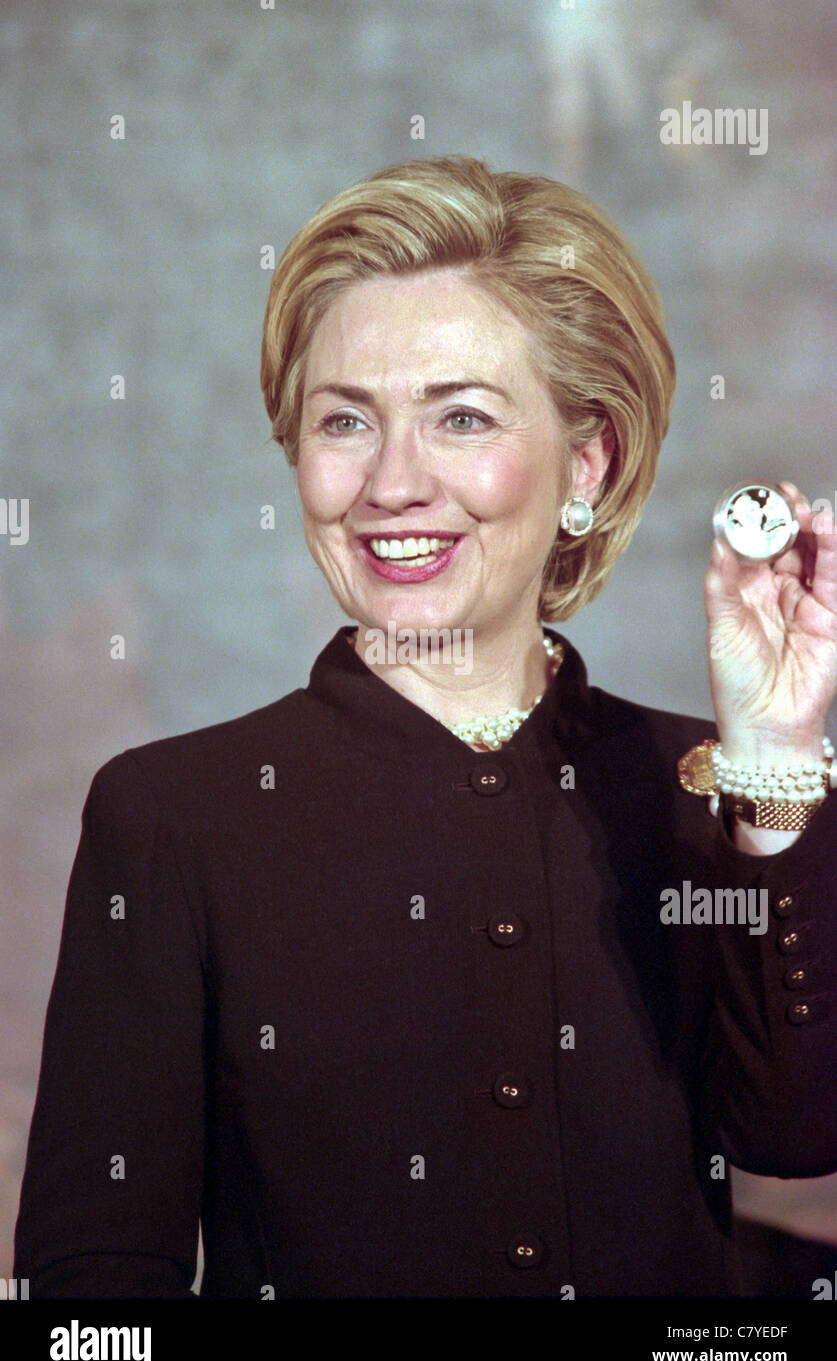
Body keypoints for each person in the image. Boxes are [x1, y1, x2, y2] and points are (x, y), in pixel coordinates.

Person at [14, 155, 837, 1299]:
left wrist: (780, 757)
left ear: (585, 462)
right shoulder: (169, 816)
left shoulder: (714, 788)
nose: (394, 482)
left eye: (460, 416)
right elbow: (91, 1293)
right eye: (346, 420)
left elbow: (799, 1137)